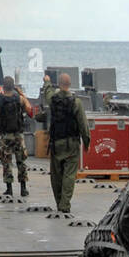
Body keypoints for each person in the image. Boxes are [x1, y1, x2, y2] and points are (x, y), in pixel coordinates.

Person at [44, 73, 90, 216]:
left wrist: (47, 82)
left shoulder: (53, 100)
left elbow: (48, 93)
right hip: (71, 144)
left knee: (56, 175)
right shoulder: (76, 102)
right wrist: (86, 141)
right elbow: (83, 124)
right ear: (69, 85)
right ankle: (65, 205)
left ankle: (59, 202)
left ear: (59, 84)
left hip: (56, 143)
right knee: (69, 175)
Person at [0, 76, 32, 197]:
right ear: (13, 87)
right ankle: (23, 188)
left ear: (3, 87)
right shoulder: (20, 98)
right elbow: (31, 111)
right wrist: (23, 95)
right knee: (21, 161)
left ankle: (9, 188)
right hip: (18, 134)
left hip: (5, 135)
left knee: (6, 162)